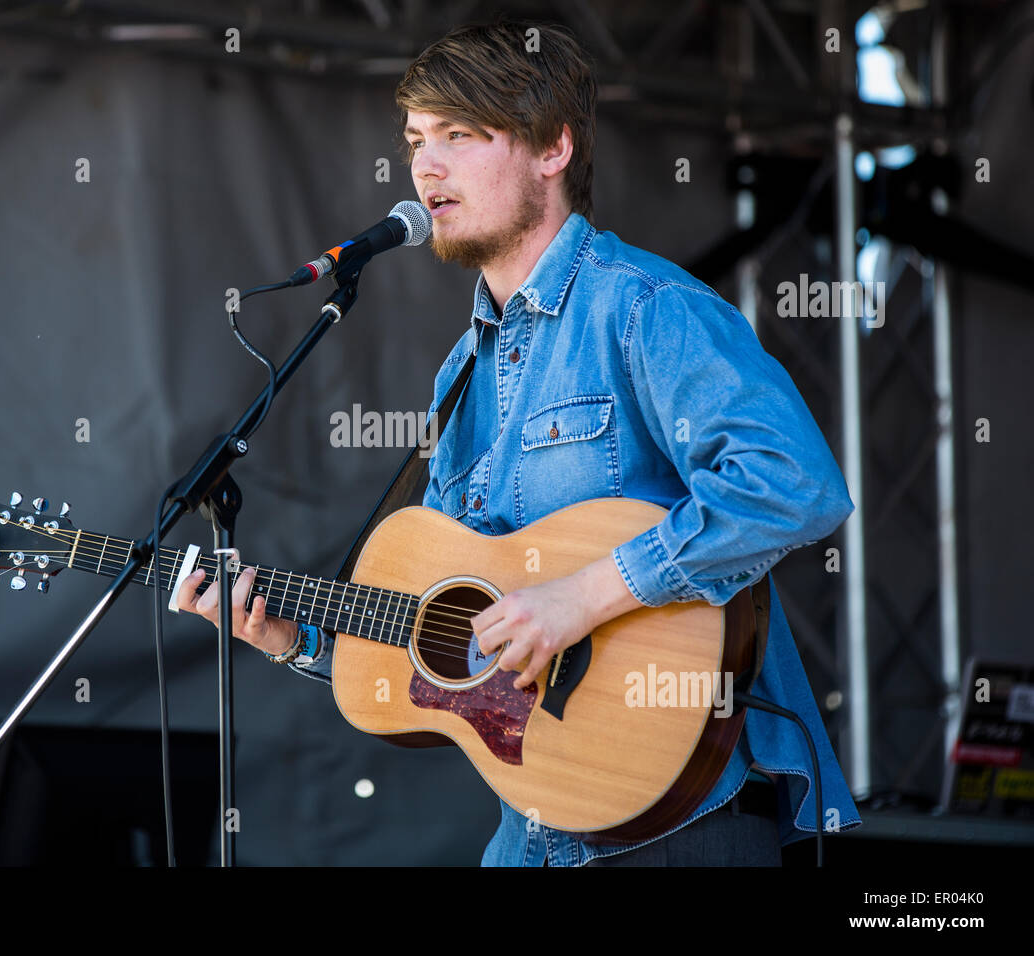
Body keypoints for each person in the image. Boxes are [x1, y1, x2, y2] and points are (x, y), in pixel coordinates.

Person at [180, 20, 862, 866]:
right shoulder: (460, 374)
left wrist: (584, 595)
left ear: (553, 149)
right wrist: (295, 639)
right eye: (417, 141)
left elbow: (795, 484)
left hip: (686, 817)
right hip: (533, 829)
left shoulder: (644, 308)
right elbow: (452, 635)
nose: (427, 167)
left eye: (460, 135)